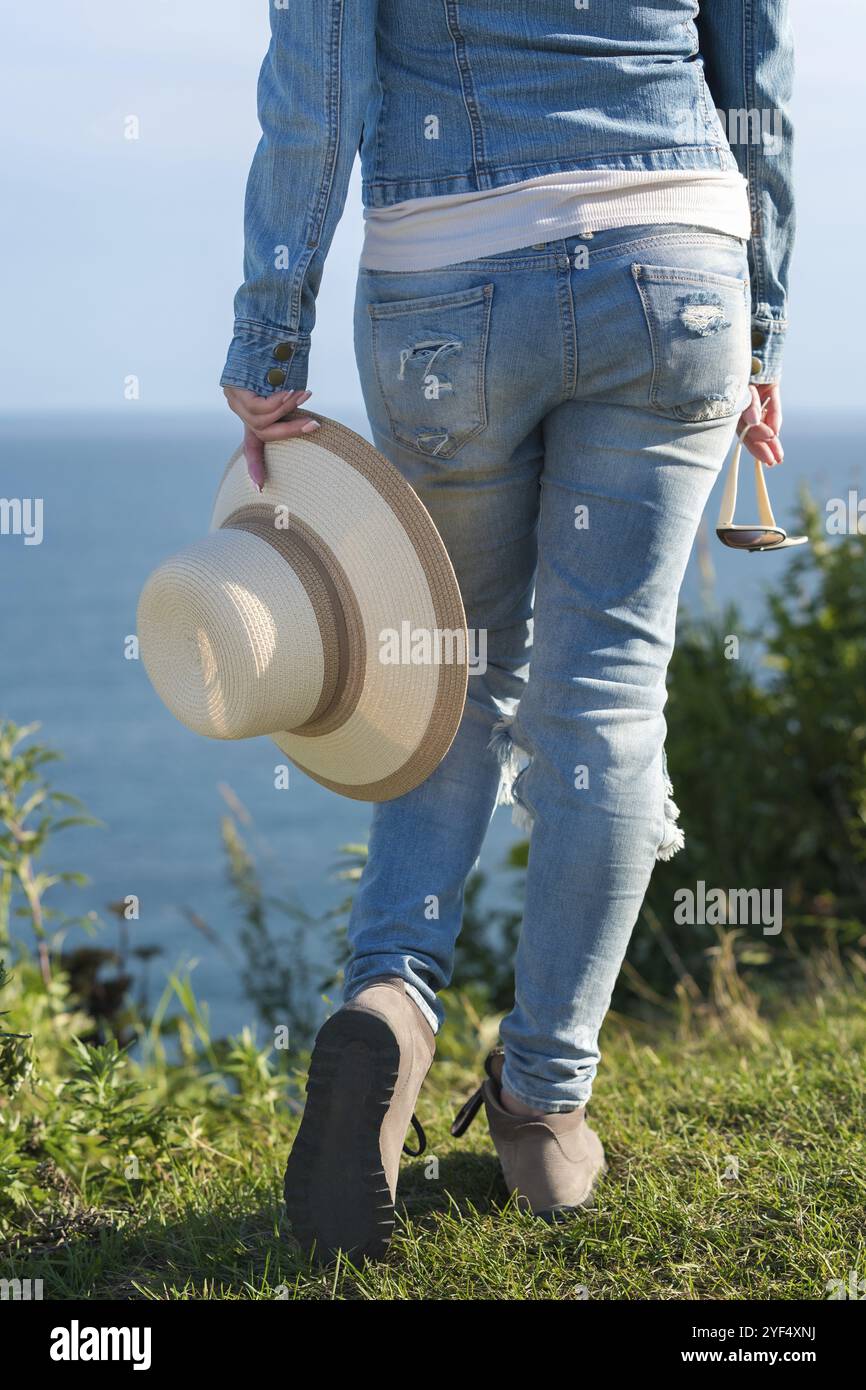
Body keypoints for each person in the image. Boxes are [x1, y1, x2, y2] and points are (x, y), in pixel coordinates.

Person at [221, 1, 794, 1260]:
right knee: (605, 700)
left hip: (446, 268)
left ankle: (389, 1001)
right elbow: (751, 60)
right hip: (675, 242)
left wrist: (271, 325)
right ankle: (541, 1108)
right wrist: (759, 315)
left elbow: (317, 70)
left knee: (452, 667)